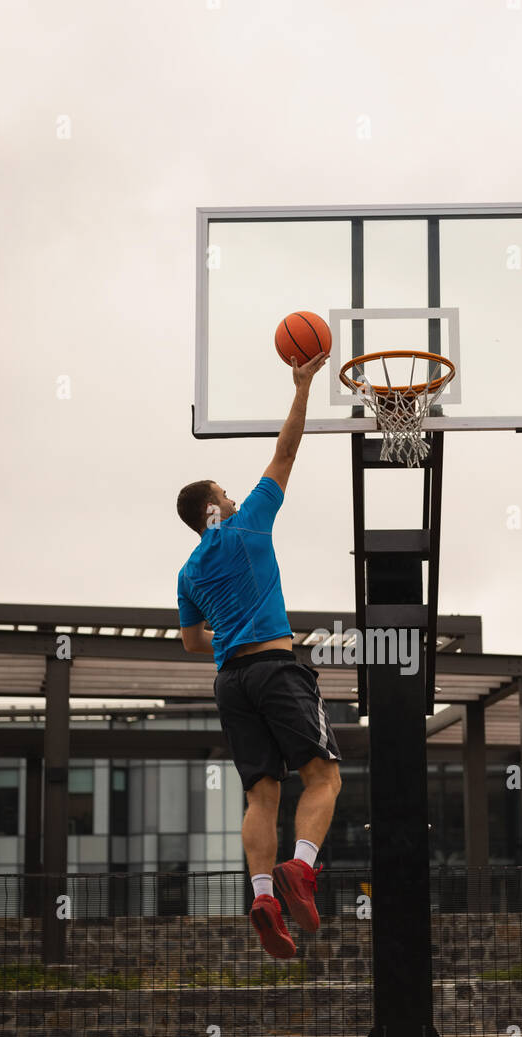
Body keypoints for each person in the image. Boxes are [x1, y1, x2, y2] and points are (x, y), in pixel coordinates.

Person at [175, 352, 341, 959]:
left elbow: (195, 643)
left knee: (260, 795)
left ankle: (265, 895)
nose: (236, 494)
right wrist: (302, 386)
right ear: (214, 509)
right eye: (226, 491)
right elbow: (287, 450)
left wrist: (228, 628)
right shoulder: (248, 529)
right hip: (276, 667)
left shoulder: (189, 571)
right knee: (323, 776)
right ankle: (301, 867)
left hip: (231, 680)